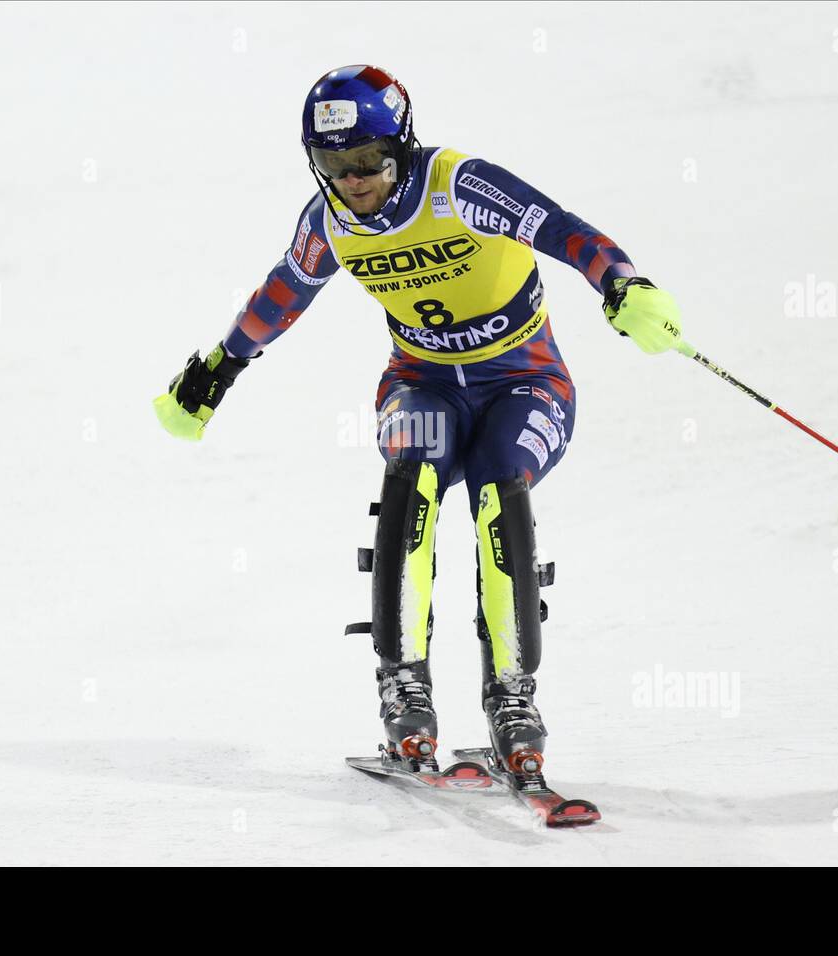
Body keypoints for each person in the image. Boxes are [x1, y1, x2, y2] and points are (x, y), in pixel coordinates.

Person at [154, 65, 682, 778]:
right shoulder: (331, 223)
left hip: (526, 385)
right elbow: (285, 291)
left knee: (499, 486)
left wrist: (623, 282)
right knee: (415, 474)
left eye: (368, 159)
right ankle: (403, 687)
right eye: (334, 164)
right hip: (422, 384)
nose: (354, 180)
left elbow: (562, 230)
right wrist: (219, 367)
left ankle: (512, 699)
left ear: (400, 145)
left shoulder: (457, 185)